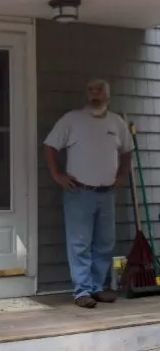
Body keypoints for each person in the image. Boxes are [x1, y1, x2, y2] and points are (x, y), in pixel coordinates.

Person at [44, 79, 134, 308]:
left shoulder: (117, 123)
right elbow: (50, 145)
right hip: (79, 191)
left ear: (108, 96)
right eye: (91, 90)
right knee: (80, 243)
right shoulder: (72, 120)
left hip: (107, 193)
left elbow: (127, 150)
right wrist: (57, 175)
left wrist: (123, 175)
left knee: (105, 242)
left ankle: (98, 287)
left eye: (99, 91)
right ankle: (82, 291)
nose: (94, 94)